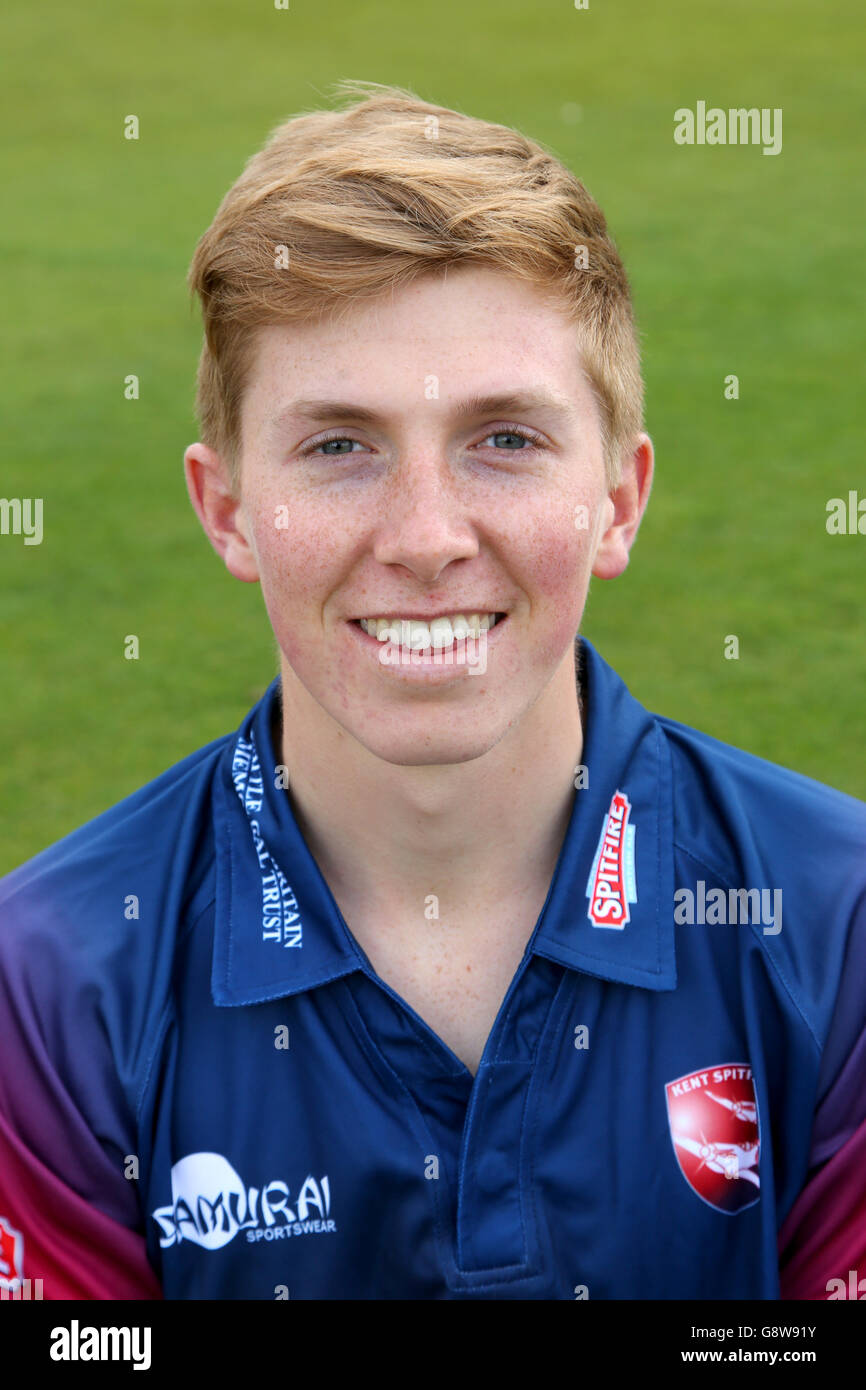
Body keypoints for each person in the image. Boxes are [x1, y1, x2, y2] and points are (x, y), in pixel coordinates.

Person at [1, 81, 863, 1302]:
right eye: (338, 446)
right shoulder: (45, 983)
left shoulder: (834, 924)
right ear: (227, 509)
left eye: (503, 438)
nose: (423, 537)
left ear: (617, 499)